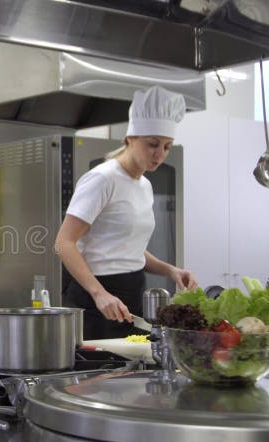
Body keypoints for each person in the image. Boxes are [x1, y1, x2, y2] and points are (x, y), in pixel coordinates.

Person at [55, 85, 198, 340]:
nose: (160, 155)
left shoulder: (144, 185)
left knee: (130, 374)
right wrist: (100, 294)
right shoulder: (102, 179)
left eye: (167, 146)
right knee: (100, 376)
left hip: (131, 295)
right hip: (95, 301)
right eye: (152, 144)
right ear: (129, 139)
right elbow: (64, 243)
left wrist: (171, 271)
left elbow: (127, 246)